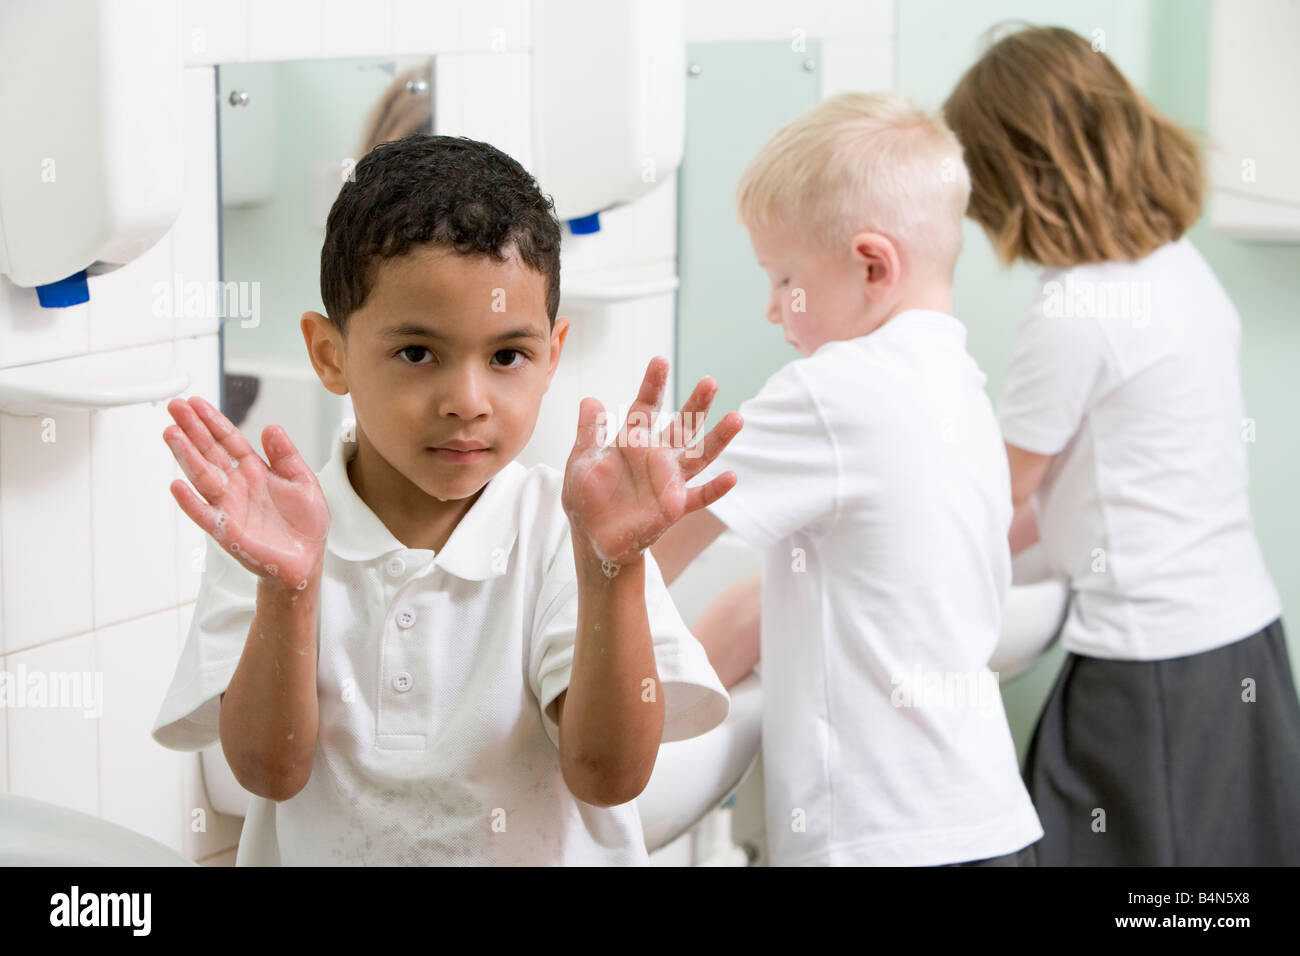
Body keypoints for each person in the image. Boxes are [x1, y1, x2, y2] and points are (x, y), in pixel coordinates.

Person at [151, 133, 741, 865]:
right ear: (330, 353)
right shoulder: (279, 534)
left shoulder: (568, 534)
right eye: (418, 353)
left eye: (507, 356)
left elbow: (610, 775)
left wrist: (611, 571)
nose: (467, 401)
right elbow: (267, 773)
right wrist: (289, 590)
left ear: (552, 355)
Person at [652, 92, 1043, 867]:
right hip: (986, 826)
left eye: (784, 278)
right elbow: (789, 596)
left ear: (873, 265)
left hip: (882, 843)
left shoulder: (833, 392)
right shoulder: (958, 389)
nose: (771, 309)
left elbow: (641, 550)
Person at [943, 23, 1300, 865]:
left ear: (1014, 174)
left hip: (1154, 666)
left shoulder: (1076, 310)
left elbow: (1000, 501)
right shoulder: (1178, 268)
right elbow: (1064, 491)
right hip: (1238, 641)